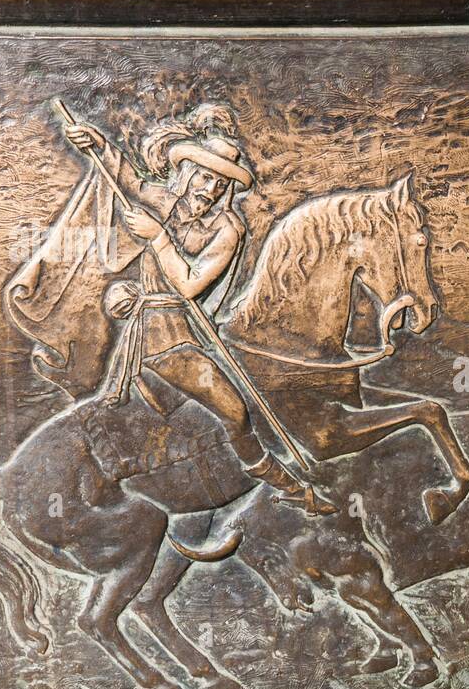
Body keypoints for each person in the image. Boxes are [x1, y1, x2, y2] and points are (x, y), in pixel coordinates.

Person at [64, 104, 329, 513]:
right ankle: (292, 490)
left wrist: (158, 238)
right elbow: (128, 179)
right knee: (236, 413)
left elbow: (190, 284)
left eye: (221, 185)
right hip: (156, 338)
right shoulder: (164, 202)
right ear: (187, 173)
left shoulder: (228, 229)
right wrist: (100, 143)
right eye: (205, 177)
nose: (210, 189)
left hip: (185, 328)